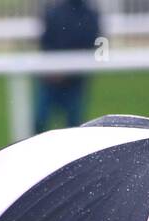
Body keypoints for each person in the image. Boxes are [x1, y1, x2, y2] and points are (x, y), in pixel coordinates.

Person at [35, 0, 101, 132]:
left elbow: (92, 43)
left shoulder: (89, 15)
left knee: (74, 127)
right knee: (40, 122)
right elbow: (46, 42)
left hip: (74, 79)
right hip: (51, 78)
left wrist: (66, 69)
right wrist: (54, 68)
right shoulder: (54, 12)